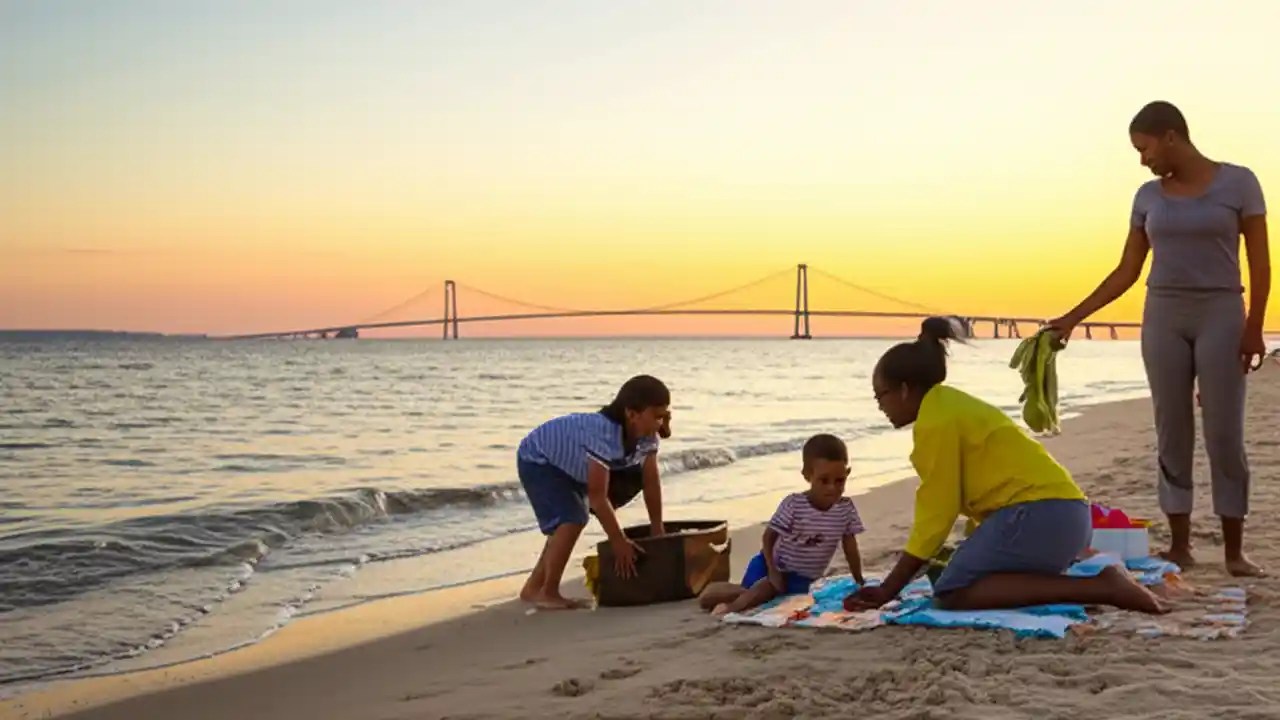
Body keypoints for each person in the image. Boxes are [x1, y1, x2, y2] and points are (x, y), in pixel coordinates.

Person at [1047, 101, 1270, 577]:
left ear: (1171, 136)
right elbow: (1127, 270)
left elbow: (1261, 262)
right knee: (1172, 430)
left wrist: (1255, 326)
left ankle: (1235, 551)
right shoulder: (1147, 197)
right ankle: (1181, 545)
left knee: (1224, 433)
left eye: (1144, 148)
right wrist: (1071, 318)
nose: (1142, 160)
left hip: (1222, 311)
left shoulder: (1240, 182)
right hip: (1164, 315)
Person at [843, 318, 1166, 614]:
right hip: (1065, 518)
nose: (880, 406)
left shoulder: (935, 421)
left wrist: (890, 587)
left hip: (1040, 517)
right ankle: (1097, 582)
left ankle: (1100, 587)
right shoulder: (950, 404)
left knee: (953, 591)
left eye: (880, 396)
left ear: (903, 389)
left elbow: (937, 512)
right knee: (955, 569)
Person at [516, 375, 671, 609]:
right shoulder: (604, 435)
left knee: (568, 523)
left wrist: (657, 528)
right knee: (572, 518)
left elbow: (651, 483)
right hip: (539, 459)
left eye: (664, 416)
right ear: (631, 414)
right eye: (656, 417)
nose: (660, 424)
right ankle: (548, 592)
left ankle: (532, 589)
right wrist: (618, 541)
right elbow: (598, 498)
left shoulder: (646, 436)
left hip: (573, 466)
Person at [698, 433, 865, 616]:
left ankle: (735, 604)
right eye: (824, 480)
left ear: (847, 474)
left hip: (802, 579)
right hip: (769, 566)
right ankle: (734, 603)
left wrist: (858, 580)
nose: (832, 488)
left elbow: (850, 547)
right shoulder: (794, 505)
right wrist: (773, 571)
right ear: (807, 475)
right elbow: (769, 537)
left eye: (839, 480)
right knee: (726, 595)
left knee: (768, 593)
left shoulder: (845, 509)